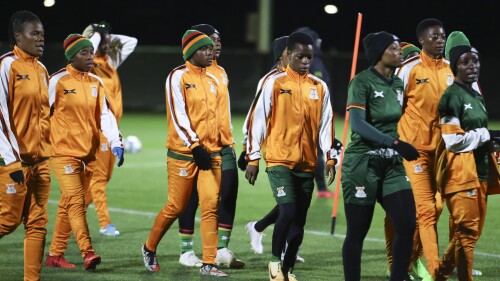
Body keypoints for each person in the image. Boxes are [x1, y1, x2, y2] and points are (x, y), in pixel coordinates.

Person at [45, 21, 137, 269]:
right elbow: (40, 115)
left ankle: (55, 254)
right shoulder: (57, 81)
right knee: (76, 201)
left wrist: (116, 142)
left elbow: (105, 116)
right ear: (71, 56)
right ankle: (88, 252)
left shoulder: (96, 81)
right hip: (63, 153)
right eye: (83, 53)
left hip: (89, 152)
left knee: (69, 204)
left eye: (90, 51)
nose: (90, 56)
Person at [245, 31, 337, 281]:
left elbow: (327, 123)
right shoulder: (273, 83)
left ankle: (288, 270)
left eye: (309, 57)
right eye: (300, 56)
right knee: (286, 211)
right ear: (288, 55)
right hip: (279, 160)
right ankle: (274, 265)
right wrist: (252, 157)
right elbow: (257, 121)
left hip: (306, 162)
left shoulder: (319, 87)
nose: (306, 61)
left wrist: (330, 157)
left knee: (299, 220)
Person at [141, 29, 227, 277]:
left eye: (211, 48)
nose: (211, 52)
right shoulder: (176, 77)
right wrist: (195, 145)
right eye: (205, 48)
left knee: (210, 206)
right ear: (191, 52)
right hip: (184, 153)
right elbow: (179, 116)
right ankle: (149, 247)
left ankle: (209, 263)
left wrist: (220, 145)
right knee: (175, 206)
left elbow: (219, 116)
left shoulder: (213, 79)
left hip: (211, 154)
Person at [341, 31, 419, 281]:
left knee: (407, 224)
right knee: (357, 232)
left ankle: (398, 277)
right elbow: (358, 125)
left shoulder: (398, 83)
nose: (399, 53)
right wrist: (395, 142)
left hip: (391, 164)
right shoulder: (361, 81)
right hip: (363, 163)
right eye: (394, 49)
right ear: (379, 53)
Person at [175, 23, 244, 269]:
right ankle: (186, 250)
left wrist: (232, 139)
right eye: (211, 41)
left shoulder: (221, 72)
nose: (216, 44)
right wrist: (193, 144)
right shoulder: (185, 74)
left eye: (218, 40)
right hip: (197, 146)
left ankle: (221, 248)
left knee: (228, 193)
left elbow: (223, 112)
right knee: (191, 197)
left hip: (223, 144)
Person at [433, 41, 500, 280]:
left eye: (476, 61)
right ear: (455, 67)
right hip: (460, 173)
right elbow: (452, 140)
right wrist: (485, 135)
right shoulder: (451, 96)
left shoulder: (475, 94)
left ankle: (440, 275)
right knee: (468, 233)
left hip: (480, 172)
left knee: (469, 233)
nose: (473, 66)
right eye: (465, 62)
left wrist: (492, 141)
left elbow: (477, 133)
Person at [396, 18, 451, 279]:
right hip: (414, 150)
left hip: (443, 152)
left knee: (438, 207)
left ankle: (405, 262)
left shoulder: (452, 69)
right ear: (422, 40)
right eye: (434, 37)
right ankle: (434, 269)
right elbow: (392, 108)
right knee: (428, 210)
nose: (440, 41)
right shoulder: (409, 69)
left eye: (442, 36)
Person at [0, 10, 51, 281]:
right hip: (13, 162)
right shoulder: (6, 66)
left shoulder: (41, 69)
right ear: (18, 36)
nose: (41, 38)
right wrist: (11, 159)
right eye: (35, 33)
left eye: (42, 33)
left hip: (40, 161)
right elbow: (0, 116)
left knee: (37, 224)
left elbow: (45, 115)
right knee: (7, 222)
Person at [384, 41, 430, 280]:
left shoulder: (437, 72)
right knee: (402, 210)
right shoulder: (397, 77)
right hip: (402, 151)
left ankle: (414, 259)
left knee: (427, 211)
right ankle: (399, 263)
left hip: (431, 152)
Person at [294, 26, 335, 198]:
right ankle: (320, 189)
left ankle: (308, 187)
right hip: (311, 115)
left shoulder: (305, 60)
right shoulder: (314, 61)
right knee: (315, 152)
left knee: (310, 152)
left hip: (306, 114)